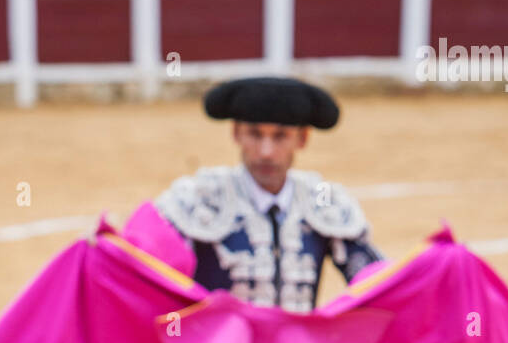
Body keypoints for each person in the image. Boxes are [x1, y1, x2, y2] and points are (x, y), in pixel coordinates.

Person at [153, 76, 384, 314]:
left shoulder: (324, 201)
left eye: (280, 136)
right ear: (236, 134)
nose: (266, 152)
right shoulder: (199, 198)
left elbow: (379, 285)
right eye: (254, 134)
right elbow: (143, 275)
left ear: (302, 138)